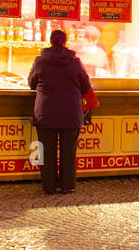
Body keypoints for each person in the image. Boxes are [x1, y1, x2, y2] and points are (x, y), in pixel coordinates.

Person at [27, 28, 91, 194]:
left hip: (46, 112)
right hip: (71, 113)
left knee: (46, 151)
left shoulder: (40, 61)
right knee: (68, 151)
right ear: (65, 42)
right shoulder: (75, 61)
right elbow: (86, 86)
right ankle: (67, 185)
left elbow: (32, 83)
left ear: (50, 41)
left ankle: (49, 186)